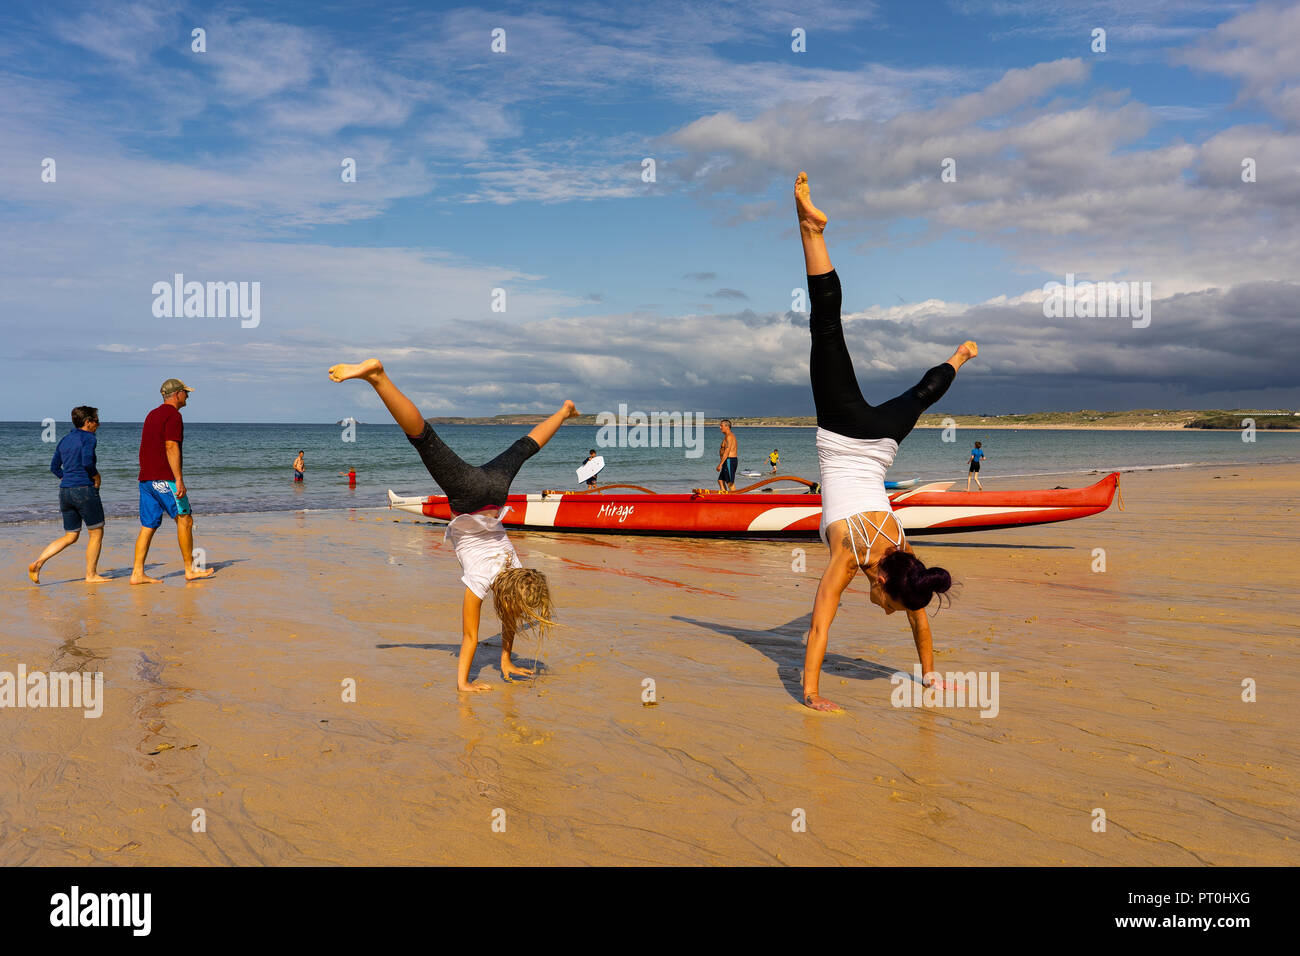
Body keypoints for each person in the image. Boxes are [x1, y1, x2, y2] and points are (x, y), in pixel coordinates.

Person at [793, 172, 978, 712]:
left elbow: (920, 616)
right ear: (886, 585)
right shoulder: (852, 558)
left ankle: (960, 356)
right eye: (890, 607)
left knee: (921, 395)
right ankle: (809, 228)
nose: (889, 611)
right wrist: (811, 695)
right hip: (841, 428)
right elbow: (818, 627)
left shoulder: (906, 559)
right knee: (825, 327)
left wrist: (932, 677)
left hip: (881, 443)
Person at [328, 358, 577, 692]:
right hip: (469, 495)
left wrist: (505, 661)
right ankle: (378, 378)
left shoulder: (517, 570)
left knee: (522, 449)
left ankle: (564, 411)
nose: (516, 613)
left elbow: (508, 619)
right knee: (424, 440)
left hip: (494, 493)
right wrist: (464, 686)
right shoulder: (480, 582)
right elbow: (470, 638)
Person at [130, 378, 216, 584]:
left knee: (148, 525)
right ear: (177, 394)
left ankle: (137, 573)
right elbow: (170, 446)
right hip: (164, 478)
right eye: (186, 392)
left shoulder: (152, 414)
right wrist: (178, 479)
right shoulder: (173, 415)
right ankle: (190, 569)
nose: (188, 396)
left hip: (146, 479)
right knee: (185, 519)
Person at [28, 406, 110, 585]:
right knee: (96, 533)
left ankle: (38, 562)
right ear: (88, 422)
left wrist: (67, 478)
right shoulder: (89, 438)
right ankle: (91, 575)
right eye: (96, 420)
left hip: (65, 491)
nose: (98, 424)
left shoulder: (65, 440)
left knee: (71, 535)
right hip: (84, 490)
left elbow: (54, 467)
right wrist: (95, 476)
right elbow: (87, 461)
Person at [716, 419, 738, 491]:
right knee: (721, 480)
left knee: (730, 483)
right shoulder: (727, 436)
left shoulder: (729, 437)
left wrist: (720, 464)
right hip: (727, 461)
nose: (720, 427)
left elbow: (727, 451)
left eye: (721, 426)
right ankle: (725, 498)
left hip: (729, 460)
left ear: (727, 427)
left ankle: (736, 499)